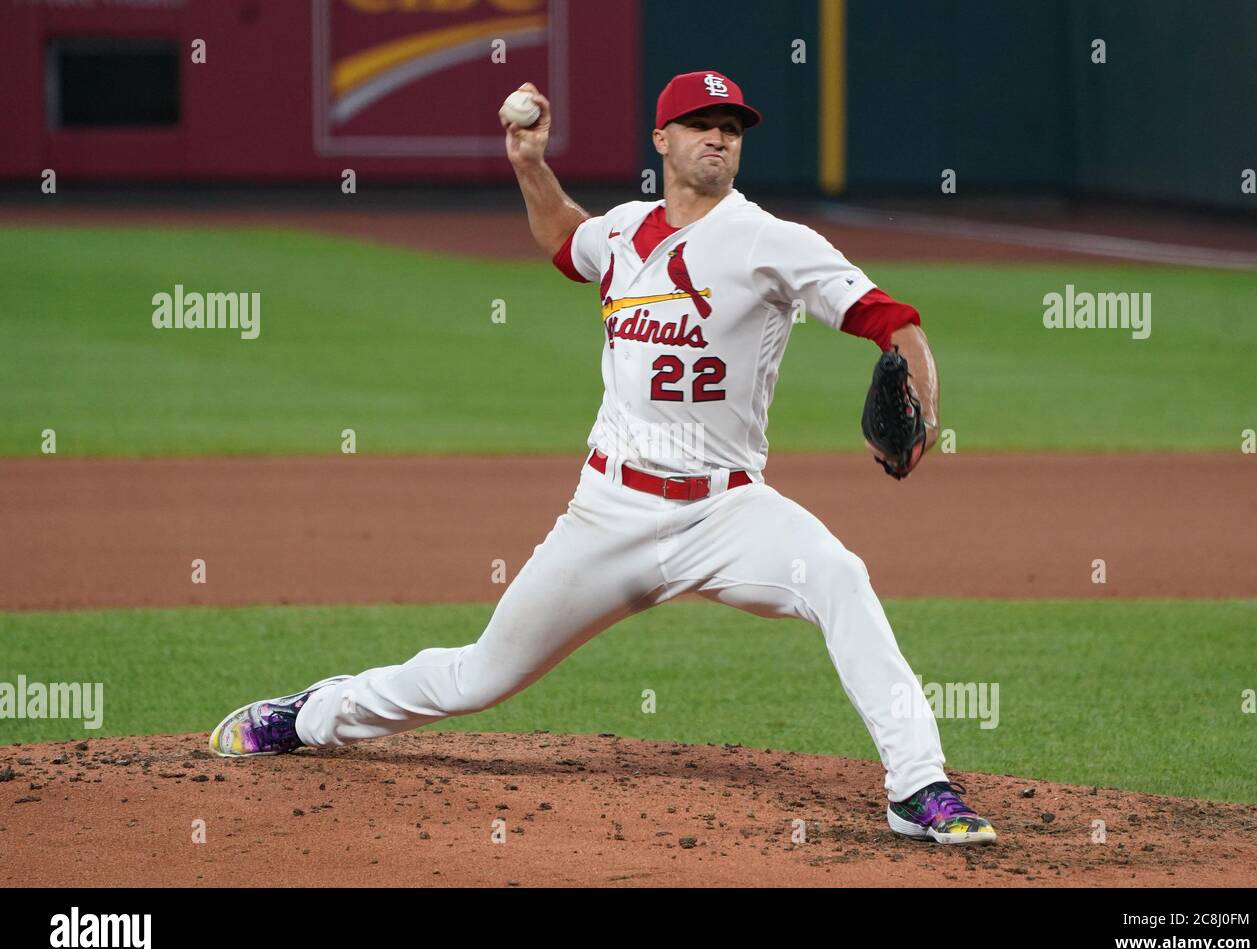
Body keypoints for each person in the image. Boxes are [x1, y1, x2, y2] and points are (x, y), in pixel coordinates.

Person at [209, 70, 996, 846]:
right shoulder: (622, 231)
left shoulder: (771, 241)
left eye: (733, 126)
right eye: (701, 122)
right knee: (480, 676)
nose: (720, 135)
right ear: (662, 139)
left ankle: (917, 784)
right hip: (607, 511)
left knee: (837, 574)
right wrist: (528, 164)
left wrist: (924, 402)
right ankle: (313, 714)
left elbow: (894, 320)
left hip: (726, 510)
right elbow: (562, 236)